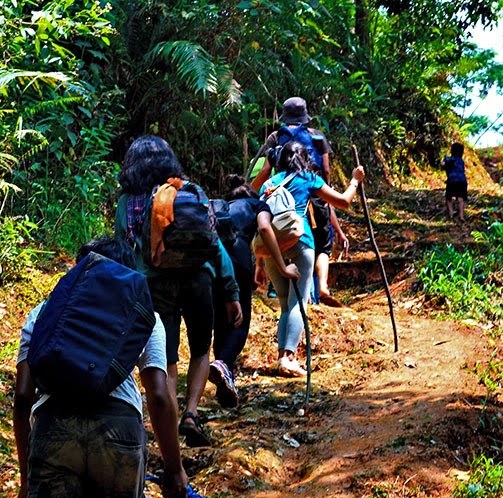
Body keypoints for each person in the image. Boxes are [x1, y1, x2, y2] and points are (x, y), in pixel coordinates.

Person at [14, 237, 189, 498]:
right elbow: (159, 395)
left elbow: (23, 397)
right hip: (118, 432)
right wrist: (175, 467)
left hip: (54, 429)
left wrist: (26, 478)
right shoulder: (144, 313)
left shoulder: (45, 312)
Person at [114, 136, 242, 447]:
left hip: (154, 284)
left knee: (166, 356)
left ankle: (169, 425)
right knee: (201, 349)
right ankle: (191, 414)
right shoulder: (190, 191)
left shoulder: (128, 202)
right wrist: (231, 292)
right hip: (199, 278)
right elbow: (215, 244)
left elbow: (123, 251)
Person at [255, 141, 365, 377]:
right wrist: (355, 180)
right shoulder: (309, 179)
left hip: (273, 247)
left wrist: (259, 263)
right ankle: (289, 357)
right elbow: (343, 201)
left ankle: (282, 356)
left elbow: (262, 221)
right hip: (300, 241)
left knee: (285, 304)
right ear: (305, 159)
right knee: (298, 303)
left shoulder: (269, 183)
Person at [209, 175, 299, 407]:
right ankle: (223, 364)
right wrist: (283, 267)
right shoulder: (258, 205)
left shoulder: (222, 207)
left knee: (222, 321)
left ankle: (224, 381)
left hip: (212, 260)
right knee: (241, 323)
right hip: (237, 258)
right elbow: (265, 228)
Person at [251, 97, 348, 307]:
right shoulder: (317, 136)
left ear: (285, 116)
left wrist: (255, 191)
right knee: (322, 244)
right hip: (314, 190)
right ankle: (321, 286)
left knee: (281, 233)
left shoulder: (276, 137)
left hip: (282, 194)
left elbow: (265, 169)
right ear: (305, 116)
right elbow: (326, 169)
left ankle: (279, 287)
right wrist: (325, 189)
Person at [442, 142, 467, 220]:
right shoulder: (461, 161)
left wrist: (444, 161)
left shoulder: (450, 159)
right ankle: (461, 216)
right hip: (462, 181)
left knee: (448, 198)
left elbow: (443, 165)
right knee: (461, 199)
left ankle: (451, 214)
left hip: (452, 181)